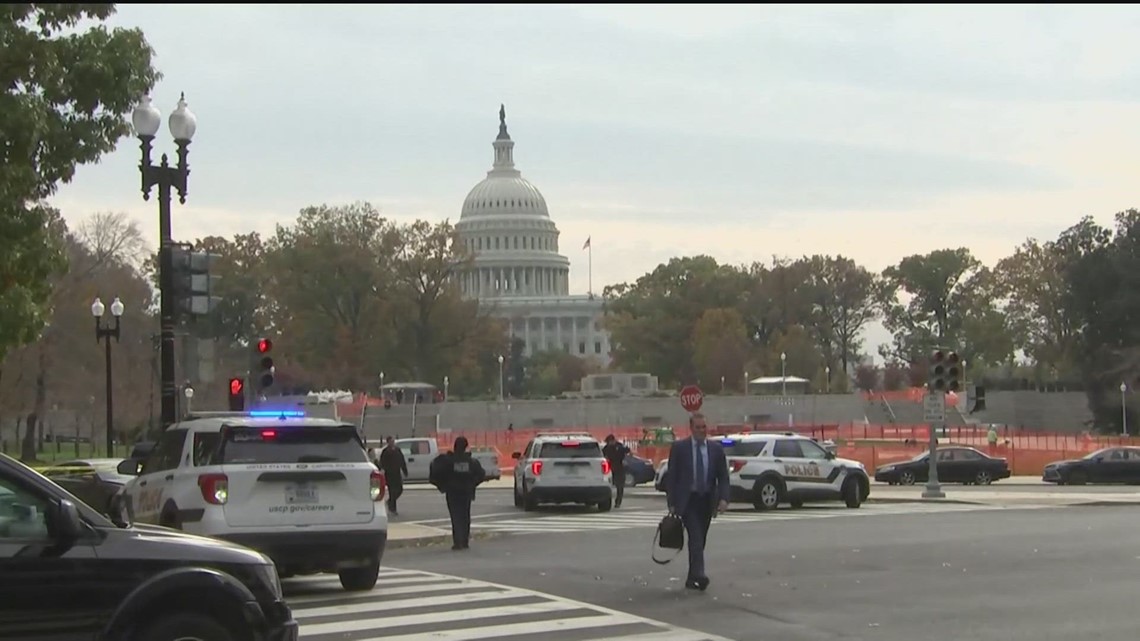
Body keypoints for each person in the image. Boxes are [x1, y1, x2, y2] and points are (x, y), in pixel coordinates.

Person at [665, 412, 729, 591]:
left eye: (704, 427)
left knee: (700, 540)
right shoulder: (680, 448)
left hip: (707, 500)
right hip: (688, 501)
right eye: (698, 427)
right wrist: (672, 501)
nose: (702, 431)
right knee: (695, 537)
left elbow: (723, 476)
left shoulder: (715, 449)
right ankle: (700, 575)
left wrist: (724, 498)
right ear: (691, 428)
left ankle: (692, 577)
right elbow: (672, 476)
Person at [429, 436, 486, 550]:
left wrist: (443, 485)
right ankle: (464, 540)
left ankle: (458, 540)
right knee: (465, 516)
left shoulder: (447, 461)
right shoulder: (471, 462)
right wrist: (472, 484)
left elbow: (435, 472)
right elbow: (481, 474)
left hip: (453, 491)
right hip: (465, 491)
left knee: (456, 516)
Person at [378, 437, 408, 516]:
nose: (392, 442)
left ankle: (390, 502)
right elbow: (382, 462)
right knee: (392, 491)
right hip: (389, 474)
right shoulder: (385, 451)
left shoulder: (397, 450)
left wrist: (405, 470)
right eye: (391, 441)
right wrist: (381, 469)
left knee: (399, 489)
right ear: (388, 442)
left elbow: (402, 460)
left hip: (397, 473)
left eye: (393, 441)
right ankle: (393, 509)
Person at [602, 434, 630, 508]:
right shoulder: (606, 448)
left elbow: (627, 450)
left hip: (619, 468)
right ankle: (607, 501)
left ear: (613, 441)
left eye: (609, 442)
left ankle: (618, 502)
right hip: (610, 468)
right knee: (608, 486)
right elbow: (603, 456)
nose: (608, 443)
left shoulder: (619, 446)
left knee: (619, 486)